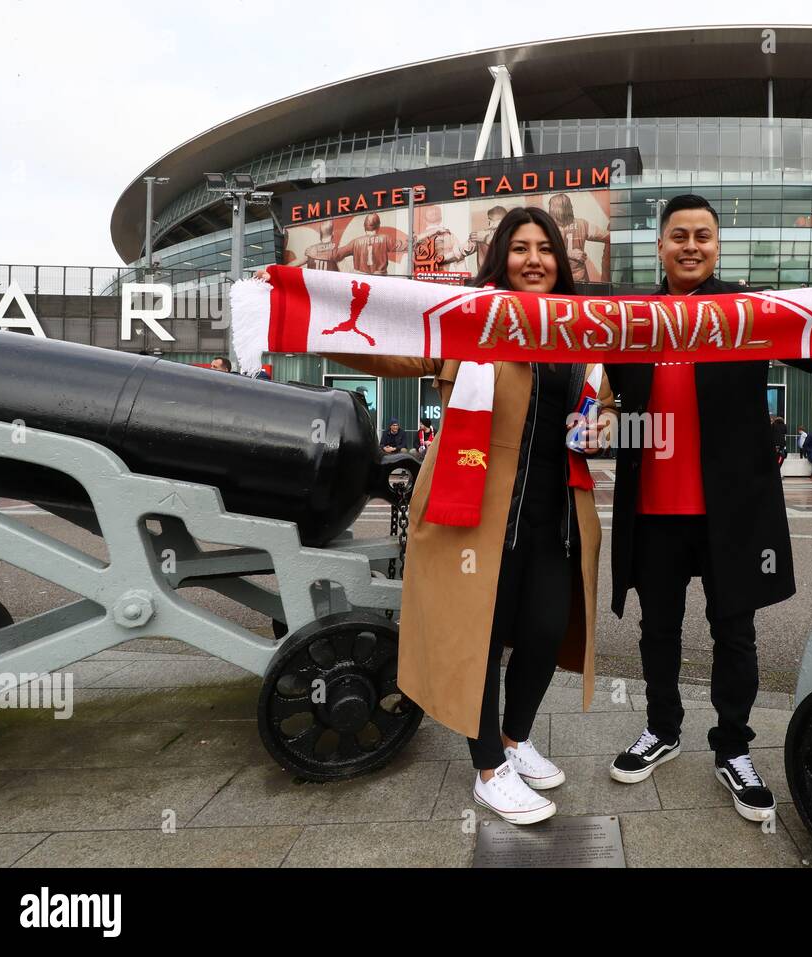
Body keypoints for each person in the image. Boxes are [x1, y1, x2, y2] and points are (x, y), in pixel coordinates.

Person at [256, 207, 615, 826]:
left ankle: (515, 738)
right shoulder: (465, 324)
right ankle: (488, 770)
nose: (534, 259)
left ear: (562, 261)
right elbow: (390, 348)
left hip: (556, 518)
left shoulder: (579, 337)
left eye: (545, 249)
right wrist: (308, 310)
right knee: (476, 639)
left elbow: (600, 408)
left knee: (542, 634)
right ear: (499, 256)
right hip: (473, 514)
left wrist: (603, 422)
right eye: (520, 248)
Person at [603, 193, 812, 822]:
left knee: (735, 633)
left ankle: (733, 748)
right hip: (653, 510)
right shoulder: (632, 320)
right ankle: (662, 729)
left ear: (716, 246)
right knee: (658, 631)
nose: (690, 246)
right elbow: (559, 345)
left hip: (731, 510)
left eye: (702, 236)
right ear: (659, 246)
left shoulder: (749, 312)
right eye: (677, 235)